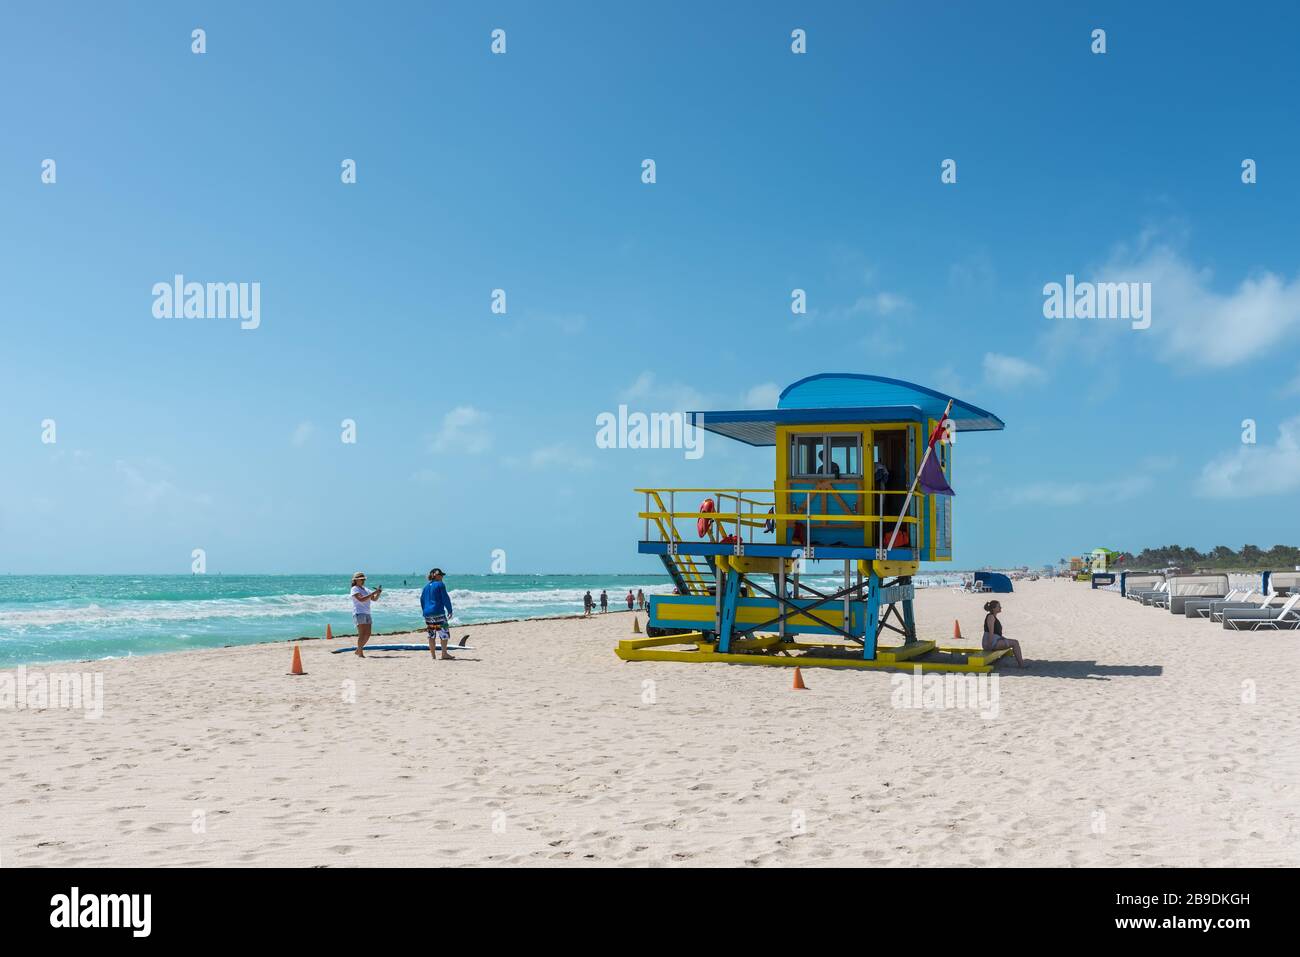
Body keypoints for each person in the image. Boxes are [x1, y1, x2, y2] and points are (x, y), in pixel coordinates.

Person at [420, 567, 455, 660]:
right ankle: (444, 654)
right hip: (438, 613)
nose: (442, 577)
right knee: (444, 634)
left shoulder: (426, 587)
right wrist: (450, 610)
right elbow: (445, 598)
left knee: (431, 635)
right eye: (441, 575)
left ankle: (433, 656)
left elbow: (422, 600)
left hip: (428, 614)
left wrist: (425, 611)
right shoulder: (440, 584)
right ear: (436, 576)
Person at [982, 600, 1025, 667]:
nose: (1000, 607)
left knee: (1014, 642)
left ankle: (1021, 664)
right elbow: (991, 632)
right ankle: (1021, 665)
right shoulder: (991, 617)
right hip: (991, 643)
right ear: (994, 609)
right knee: (1015, 643)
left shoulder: (993, 616)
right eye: (998, 606)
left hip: (995, 640)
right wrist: (989, 646)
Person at [350, 572, 383, 657]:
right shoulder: (355, 588)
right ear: (356, 580)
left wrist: (378, 593)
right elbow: (361, 599)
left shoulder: (365, 589)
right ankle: (360, 652)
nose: (363, 581)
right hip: (359, 612)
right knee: (362, 633)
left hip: (367, 612)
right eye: (361, 579)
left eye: (363, 579)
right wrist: (373, 593)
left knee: (368, 634)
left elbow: (374, 599)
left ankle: (358, 649)